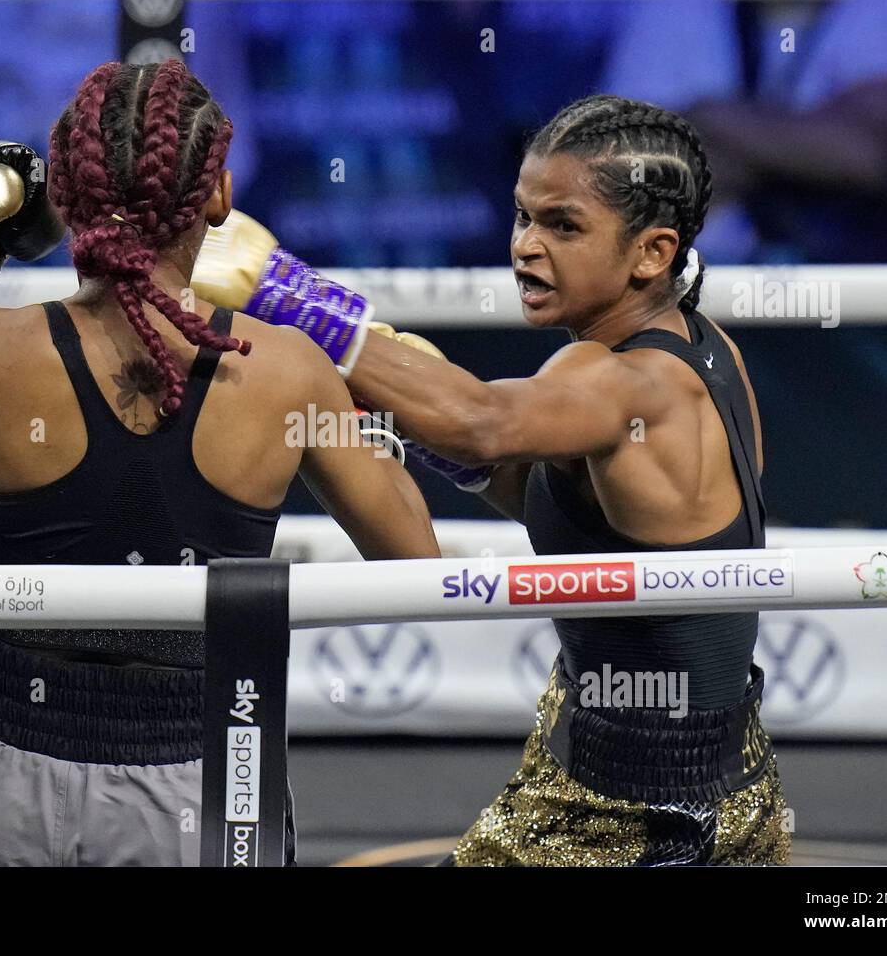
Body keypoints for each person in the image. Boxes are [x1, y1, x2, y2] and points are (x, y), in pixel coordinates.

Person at [0, 58, 439, 866]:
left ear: (62, 197)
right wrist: (315, 310)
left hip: (9, 760)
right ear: (217, 196)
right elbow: (416, 563)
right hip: (206, 776)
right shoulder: (286, 370)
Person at [193, 94, 791, 866]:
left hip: (628, 813)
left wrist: (292, 297)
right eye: (522, 217)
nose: (527, 247)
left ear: (651, 251)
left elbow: (482, 422)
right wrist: (416, 409)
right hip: (719, 778)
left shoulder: (623, 380)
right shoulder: (708, 350)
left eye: (563, 226)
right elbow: (559, 495)